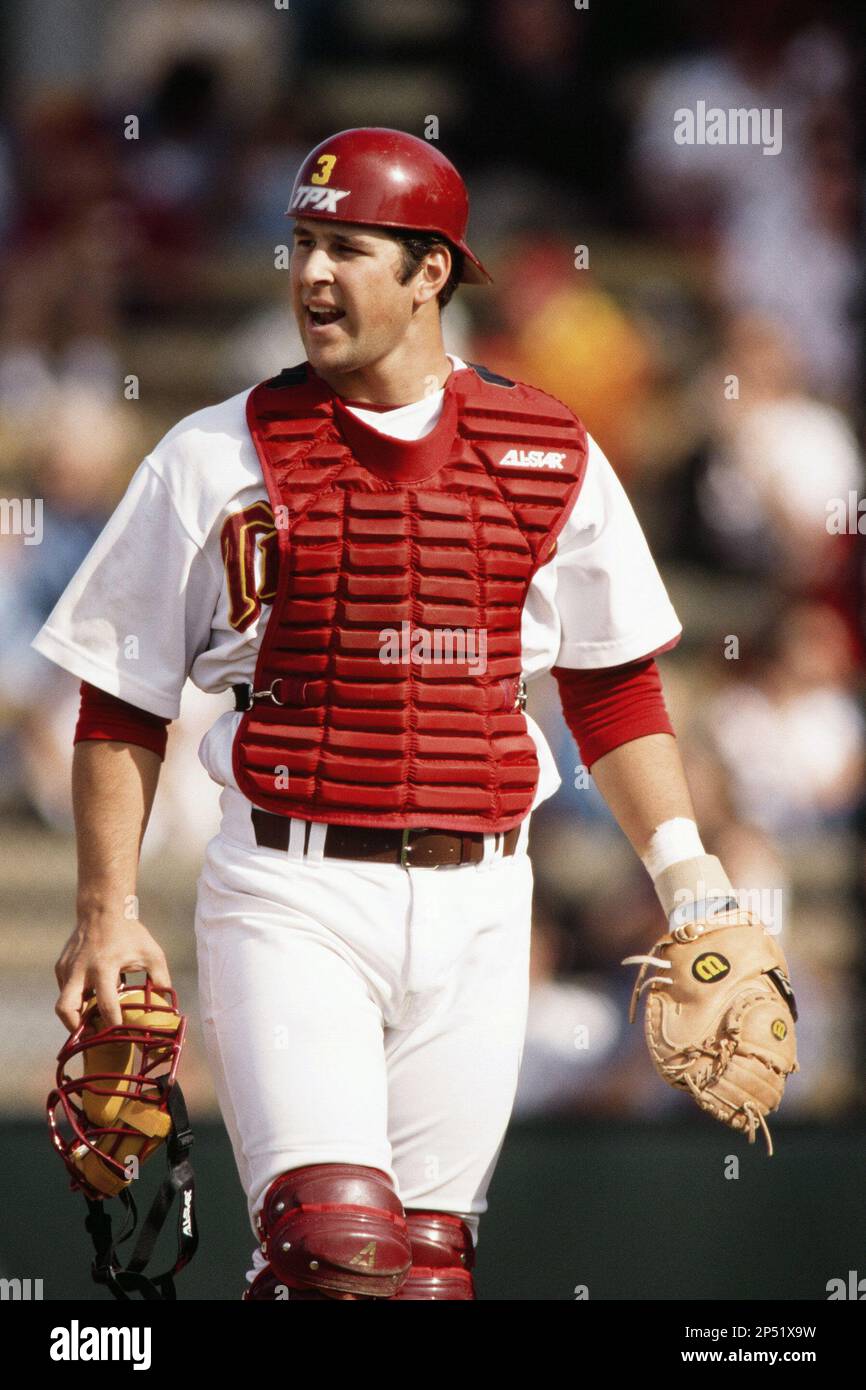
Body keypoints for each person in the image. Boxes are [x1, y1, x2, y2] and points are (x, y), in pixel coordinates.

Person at [34, 128, 751, 1301]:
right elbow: (119, 693)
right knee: (333, 1248)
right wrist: (106, 910)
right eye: (302, 245)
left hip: (483, 900)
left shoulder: (548, 448)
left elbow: (613, 686)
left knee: (424, 1275)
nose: (312, 274)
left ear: (431, 272)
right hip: (291, 890)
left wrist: (693, 889)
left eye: (347, 249)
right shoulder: (209, 454)